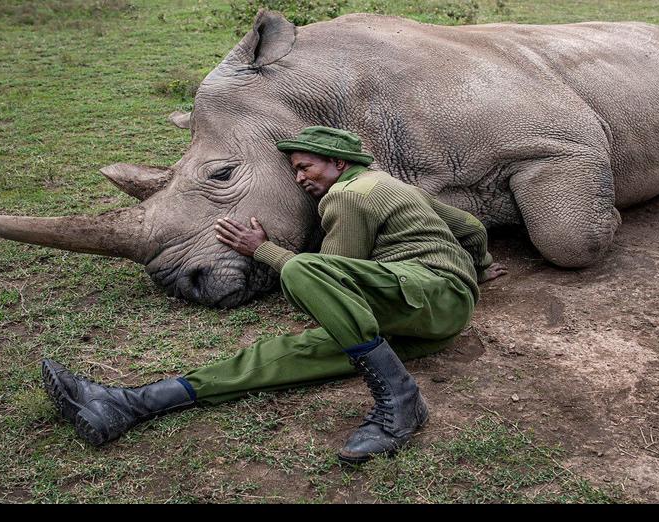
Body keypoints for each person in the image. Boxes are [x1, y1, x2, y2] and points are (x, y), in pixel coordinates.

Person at [40, 126, 501, 463]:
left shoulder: (349, 195)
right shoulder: (394, 186)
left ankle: (400, 403)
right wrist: (476, 272)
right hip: (429, 314)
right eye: (295, 171)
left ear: (339, 164)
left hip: (428, 294)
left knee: (301, 269)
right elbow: (470, 227)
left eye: (305, 167)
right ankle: (124, 405)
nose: (300, 178)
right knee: (278, 357)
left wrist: (262, 250)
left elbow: (329, 275)